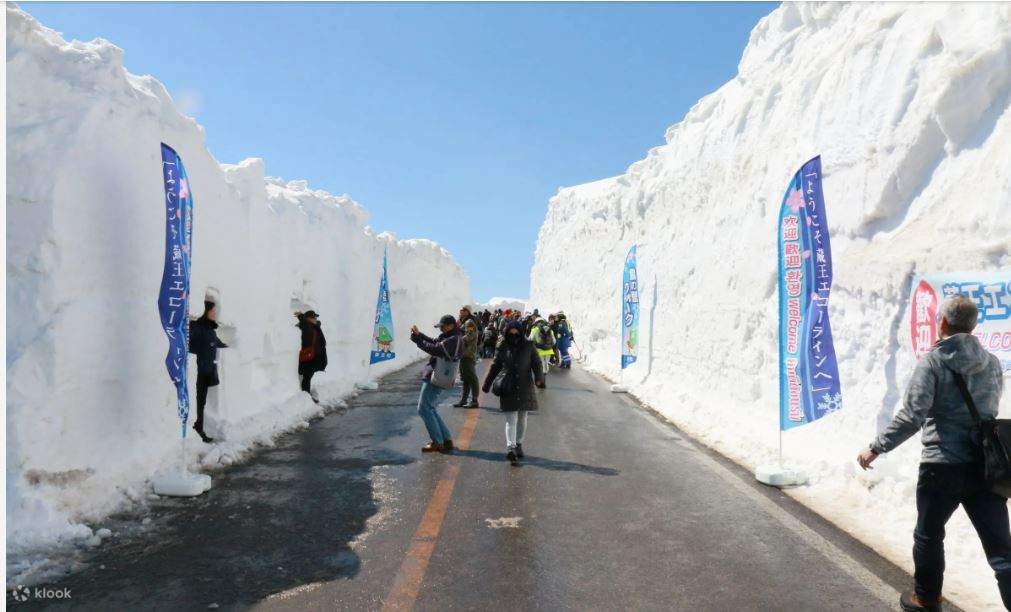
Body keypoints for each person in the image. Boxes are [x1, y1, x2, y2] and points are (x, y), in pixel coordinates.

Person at [857, 296, 1009, 611]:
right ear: (973, 326)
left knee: (928, 535)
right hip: (985, 467)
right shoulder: (992, 362)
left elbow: (912, 416)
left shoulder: (933, 362)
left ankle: (926, 600)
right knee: (1001, 551)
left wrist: (876, 447)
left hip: (942, 466)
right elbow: (989, 410)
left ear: (942, 323)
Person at [482, 320, 545, 464]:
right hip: (508, 385)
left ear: (521, 333)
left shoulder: (529, 345)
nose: (514, 336)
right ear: (507, 333)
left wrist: (539, 378)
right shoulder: (503, 345)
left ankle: (518, 444)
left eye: (516, 333)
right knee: (511, 419)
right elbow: (496, 365)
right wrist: (487, 383)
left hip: (525, 386)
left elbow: (537, 363)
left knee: (522, 418)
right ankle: (511, 448)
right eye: (511, 334)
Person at [410, 315, 463, 453]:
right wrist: (419, 335)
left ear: (451, 325)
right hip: (439, 375)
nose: (441, 329)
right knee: (430, 408)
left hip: (436, 375)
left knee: (423, 408)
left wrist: (418, 340)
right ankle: (446, 439)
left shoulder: (453, 339)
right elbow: (434, 342)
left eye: (443, 326)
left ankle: (437, 442)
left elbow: (435, 349)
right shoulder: (452, 336)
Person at [189, 300, 227, 443]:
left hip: (208, 370)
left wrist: (229, 347)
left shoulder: (210, 329)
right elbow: (187, 343)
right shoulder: (197, 326)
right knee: (198, 402)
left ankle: (199, 427)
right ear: (205, 311)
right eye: (212, 311)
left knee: (202, 402)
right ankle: (197, 429)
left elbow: (218, 343)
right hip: (199, 370)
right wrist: (198, 353)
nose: (215, 313)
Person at [296, 310, 328, 402]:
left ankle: (307, 395)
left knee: (308, 376)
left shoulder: (315, 327)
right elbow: (305, 325)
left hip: (315, 357)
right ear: (308, 319)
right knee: (307, 377)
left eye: (315, 317)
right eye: (313, 317)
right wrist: (301, 316)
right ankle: (306, 396)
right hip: (310, 357)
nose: (315, 319)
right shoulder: (308, 327)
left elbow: (316, 324)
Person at [454, 318, 481, 409]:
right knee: (466, 380)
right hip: (464, 356)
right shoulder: (466, 326)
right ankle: (463, 400)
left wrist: (458, 337)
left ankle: (474, 401)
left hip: (468, 357)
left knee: (472, 379)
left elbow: (469, 337)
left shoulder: (470, 325)